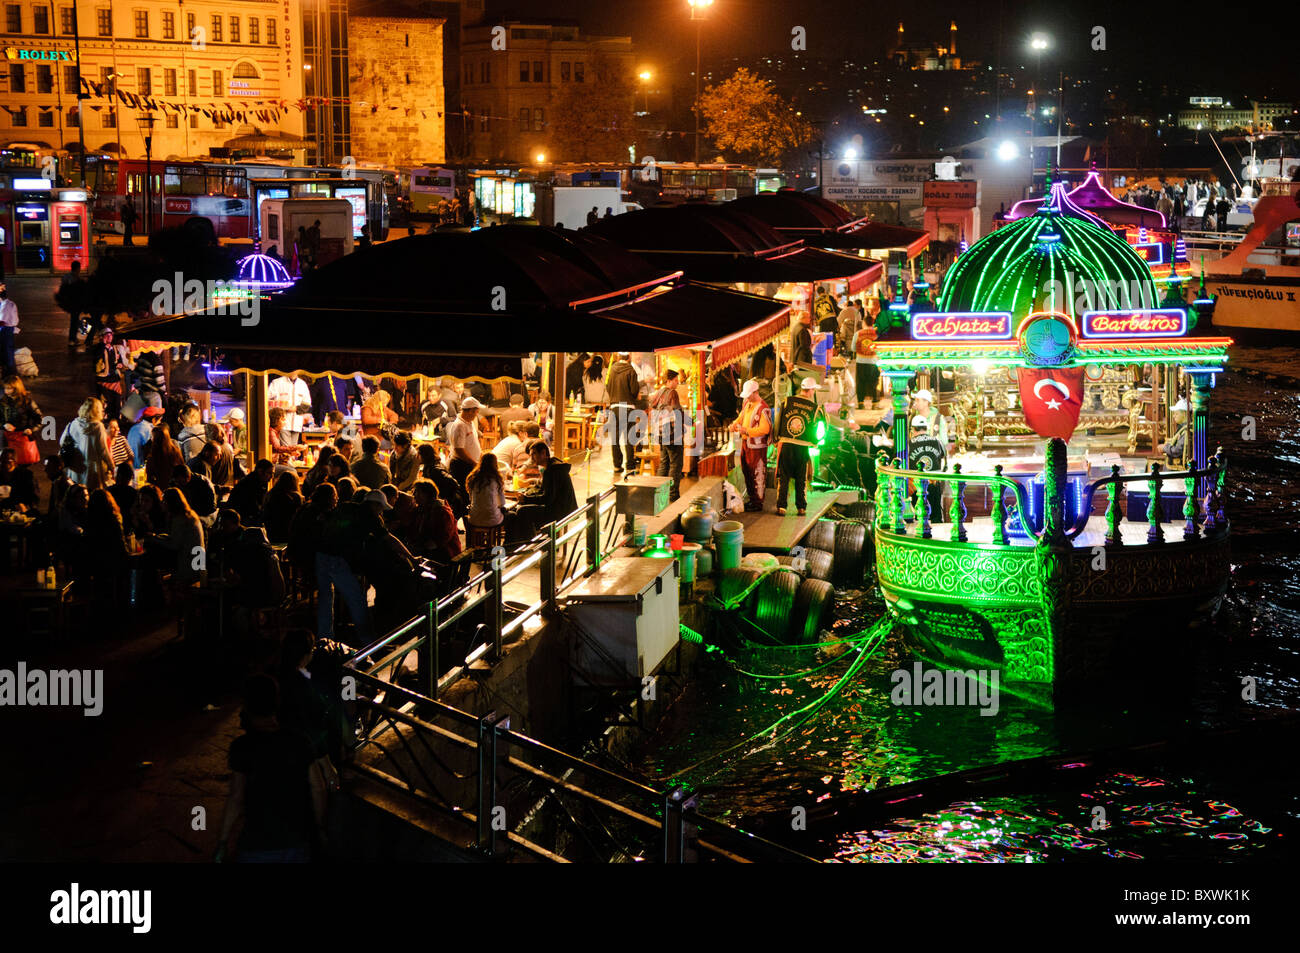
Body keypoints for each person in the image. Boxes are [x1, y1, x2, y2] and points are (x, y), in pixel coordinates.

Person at [216, 674, 325, 864]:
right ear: (277, 702)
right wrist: (319, 827)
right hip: (296, 840)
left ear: (247, 706)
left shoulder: (242, 747)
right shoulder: (298, 741)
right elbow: (318, 787)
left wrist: (223, 841)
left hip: (258, 843)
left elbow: (236, 798)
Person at [512, 439, 577, 539]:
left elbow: (547, 498)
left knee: (522, 511)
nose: (532, 458)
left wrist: (526, 499)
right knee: (521, 508)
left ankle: (530, 542)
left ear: (543, 453)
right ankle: (525, 540)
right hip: (558, 507)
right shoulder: (550, 467)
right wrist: (528, 495)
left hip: (560, 511)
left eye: (534, 454)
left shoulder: (553, 470)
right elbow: (544, 490)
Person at [774, 378, 818, 517]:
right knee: (801, 478)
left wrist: (776, 438)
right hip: (802, 447)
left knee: (784, 476)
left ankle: (781, 507)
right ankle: (801, 508)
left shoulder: (787, 401)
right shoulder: (814, 407)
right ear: (810, 390)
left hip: (786, 444)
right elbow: (818, 427)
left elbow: (778, 420)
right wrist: (814, 442)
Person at [148, 486, 205, 584]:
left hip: (188, 566)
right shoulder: (190, 515)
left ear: (171, 503)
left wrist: (153, 539)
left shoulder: (180, 519)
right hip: (198, 563)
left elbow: (174, 545)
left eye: (164, 501)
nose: (162, 504)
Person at [731, 379, 771, 512]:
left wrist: (747, 431)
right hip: (746, 444)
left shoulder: (763, 408)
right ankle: (752, 498)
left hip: (757, 447)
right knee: (747, 471)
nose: (747, 397)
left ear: (756, 392)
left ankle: (757, 502)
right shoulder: (747, 404)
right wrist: (734, 424)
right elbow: (741, 417)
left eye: (749, 394)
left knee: (757, 473)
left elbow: (765, 429)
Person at [61, 397, 113, 492]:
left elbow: (62, 442)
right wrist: (111, 466)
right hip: (92, 471)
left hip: (75, 469)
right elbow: (103, 451)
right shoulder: (98, 427)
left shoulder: (74, 424)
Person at [649, 370, 686, 503]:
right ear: (669, 381)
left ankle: (658, 493)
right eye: (675, 380)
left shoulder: (658, 392)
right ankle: (673, 495)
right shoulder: (672, 393)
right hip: (672, 434)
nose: (677, 383)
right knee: (676, 464)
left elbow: (652, 406)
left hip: (660, 433)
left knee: (664, 463)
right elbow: (677, 412)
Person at [408, 479, 461, 564]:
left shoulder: (442, 511)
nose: (414, 495)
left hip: (445, 553)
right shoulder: (421, 509)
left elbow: (443, 537)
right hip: (430, 549)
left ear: (427, 494)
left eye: (417, 492)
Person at [604, 352, 641, 476]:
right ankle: (630, 466)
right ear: (629, 357)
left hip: (614, 407)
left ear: (618, 357)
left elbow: (608, 387)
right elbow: (634, 390)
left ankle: (616, 465)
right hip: (628, 407)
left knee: (615, 438)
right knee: (628, 438)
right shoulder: (631, 371)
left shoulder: (612, 370)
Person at [444, 395, 482, 489]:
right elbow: (459, 449)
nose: (476, 415)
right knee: (464, 492)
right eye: (476, 412)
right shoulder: (459, 426)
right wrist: (474, 463)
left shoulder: (470, 422)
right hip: (461, 466)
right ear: (470, 411)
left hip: (469, 464)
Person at [465, 451, 505, 537]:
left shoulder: (473, 478)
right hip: (492, 520)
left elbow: (471, 499)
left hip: (474, 519)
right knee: (510, 515)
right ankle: (504, 544)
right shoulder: (496, 479)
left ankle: (477, 543)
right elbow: (502, 503)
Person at [92, 327, 128, 421]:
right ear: (102, 337)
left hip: (115, 379)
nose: (109, 337)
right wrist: (103, 345)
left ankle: (116, 421)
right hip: (103, 380)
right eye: (106, 335)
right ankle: (105, 420)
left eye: (110, 335)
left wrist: (120, 364)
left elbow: (118, 360)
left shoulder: (115, 348)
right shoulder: (98, 348)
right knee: (106, 402)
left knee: (117, 402)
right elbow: (96, 359)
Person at [1, 373, 41, 458]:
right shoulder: (3, 402)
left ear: (16, 388)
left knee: (22, 460)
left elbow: (39, 418)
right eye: (5, 388)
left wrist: (31, 429)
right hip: (6, 438)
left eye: (9, 388)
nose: (6, 391)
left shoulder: (27, 401)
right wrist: (4, 424)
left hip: (22, 437)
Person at [227, 458, 274, 527]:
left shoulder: (262, 482)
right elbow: (253, 507)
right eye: (269, 473)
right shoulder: (249, 484)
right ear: (260, 471)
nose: (272, 477)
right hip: (241, 520)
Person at [145, 422, 184, 489]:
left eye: (152, 437)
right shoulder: (176, 452)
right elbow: (182, 469)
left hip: (160, 491)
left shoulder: (153, 457)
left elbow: (149, 479)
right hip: (176, 489)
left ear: (155, 439)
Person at [58, 259, 88, 345]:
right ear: (77, 268)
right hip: (75, 303)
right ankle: (73, 339)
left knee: (74, 320)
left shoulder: (66, 277)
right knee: (74, 321)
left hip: (70, 303)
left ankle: (73, 338)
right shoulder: (76, 279)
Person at [0, 447, 38, 514]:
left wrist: (26, 506)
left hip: (20, 512)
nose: (5, 463)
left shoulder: (25, 475)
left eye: (8, 460)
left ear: (15, 461)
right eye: (2, 461)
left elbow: (34, 496)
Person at [853, 319, 880, 409]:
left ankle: (860, 403)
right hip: (873, 362)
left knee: (861, 382)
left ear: (864, 323)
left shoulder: (858, 333)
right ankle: (875, 403)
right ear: (873, 323)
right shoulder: (876, 334)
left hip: (861, 361)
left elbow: (853, 348)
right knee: (874, 382)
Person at [107, 462, 138, 535]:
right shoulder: (134, 493)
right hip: (129, 529)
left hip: (112, 528)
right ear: (130, 477)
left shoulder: (108, 492)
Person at [1160, 398, 1190, 467]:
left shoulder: (1186, 430)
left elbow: (1177, 450)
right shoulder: (1183, 428)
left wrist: (1164, 448)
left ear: (1184, 414)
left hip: (1176, 468)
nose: (1174, 416)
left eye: (1176, 414)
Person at [0, 280, 19, 376]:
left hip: (6, 330)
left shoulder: (7, 305)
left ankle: (10, 373)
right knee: (7, 352)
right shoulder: (9, 304)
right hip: (6, 330)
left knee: (7, 352)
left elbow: (4, 321)